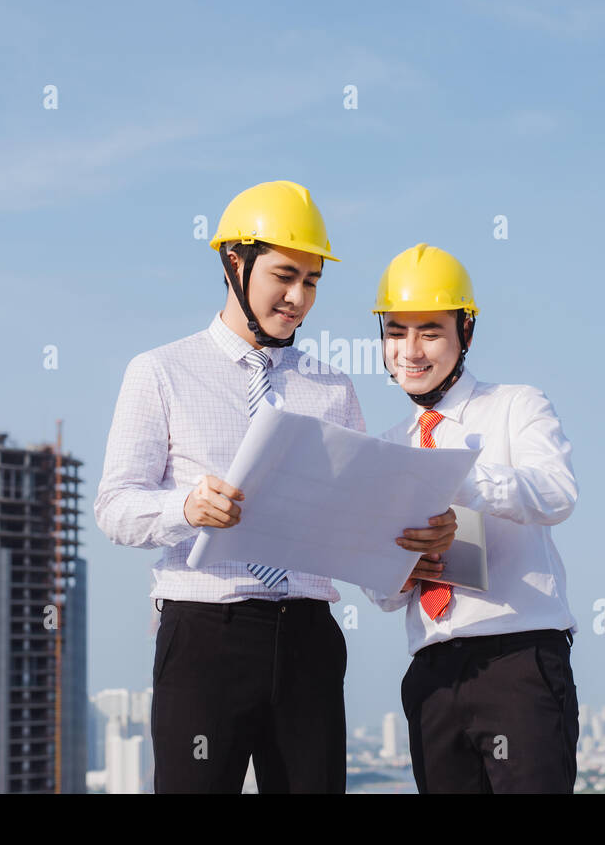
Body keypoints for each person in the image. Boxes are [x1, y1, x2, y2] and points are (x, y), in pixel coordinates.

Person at [93, 182, 457, 793]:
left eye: (312, 281)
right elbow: (114, 508)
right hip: (207, 633)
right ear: (234, 263)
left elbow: (357, 520)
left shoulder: (331, 388)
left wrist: (409, 556)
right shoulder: (160, 372)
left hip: (310, 640)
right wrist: (187, 508)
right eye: (284, 276)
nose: (298, 298)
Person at [362, 242, 581, 793]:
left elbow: (556, 494)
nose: (410, 350)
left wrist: (454, 478)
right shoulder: (385, 448)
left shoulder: (517, 405)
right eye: (395, 332)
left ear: (466, 331)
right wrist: (403, 569)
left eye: (430, 331)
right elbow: (383, 595)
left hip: (518, 659)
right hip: (432, 674)